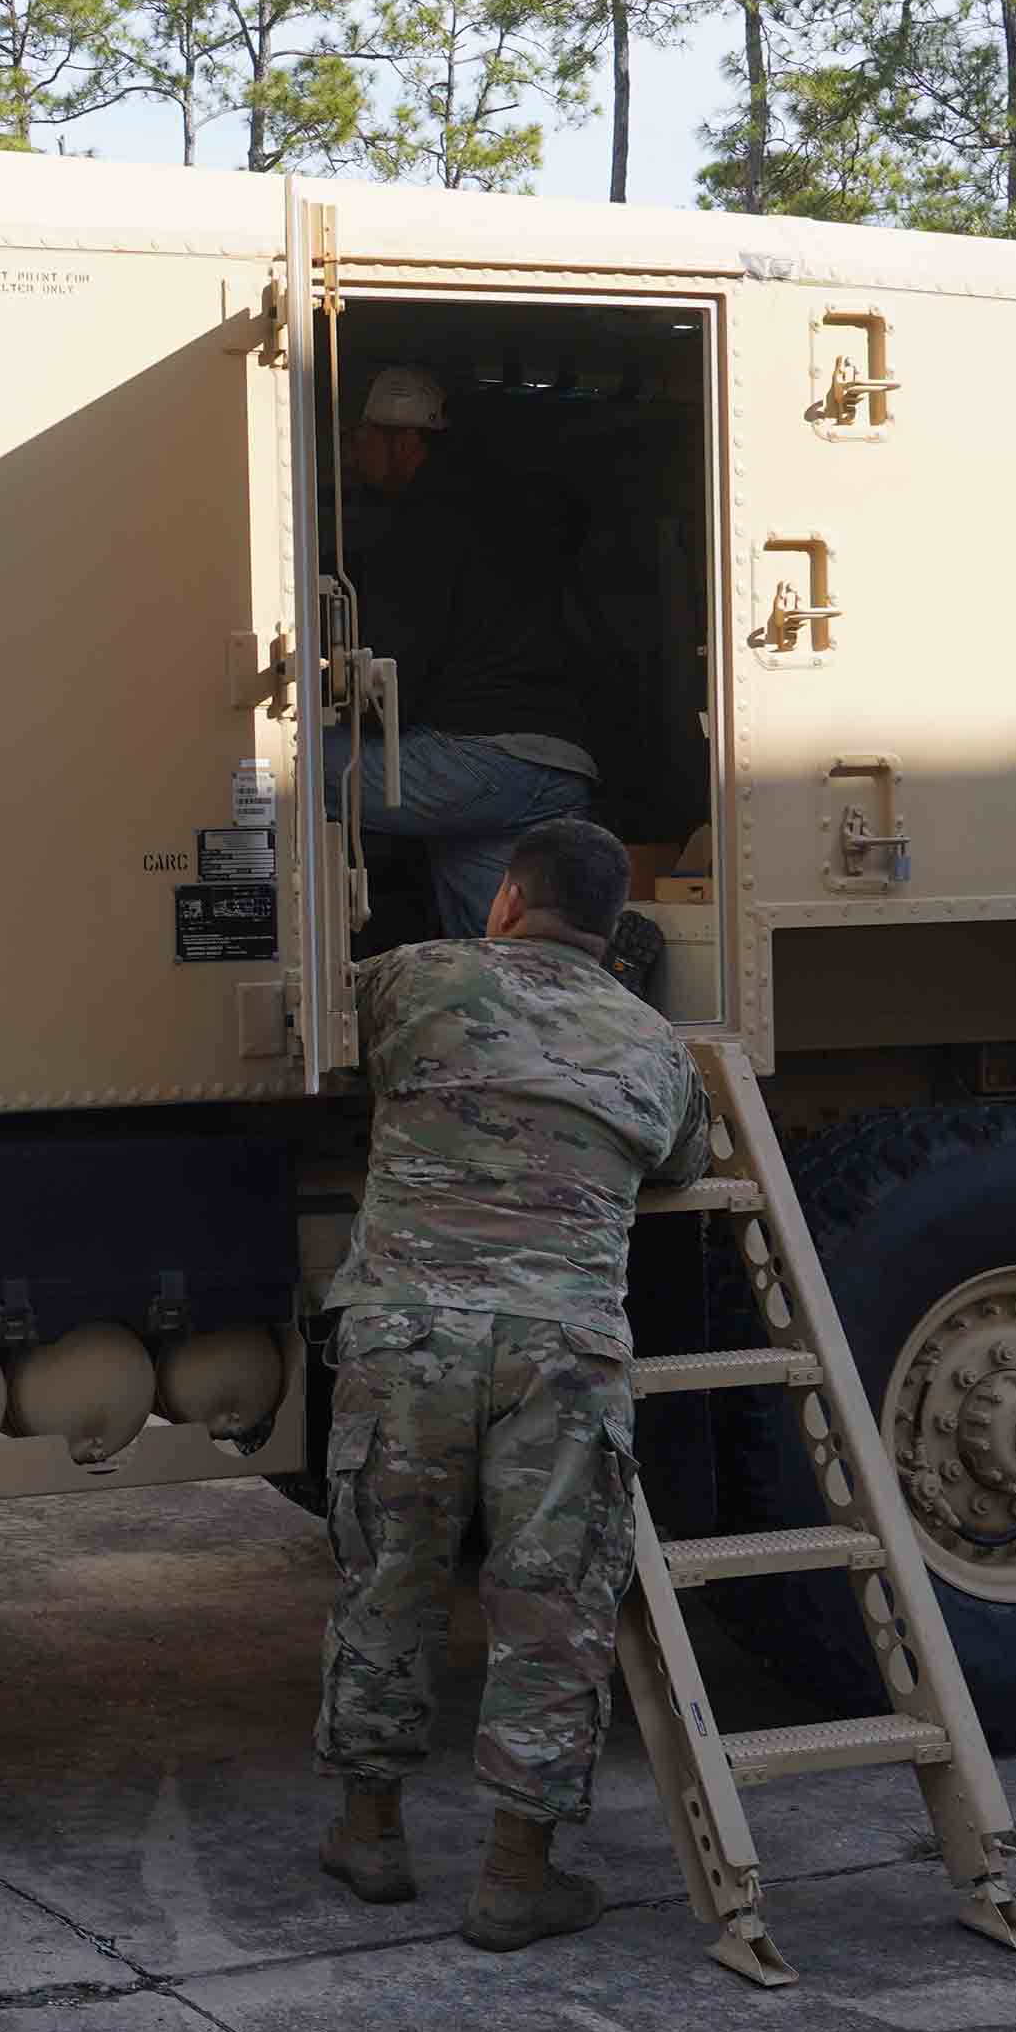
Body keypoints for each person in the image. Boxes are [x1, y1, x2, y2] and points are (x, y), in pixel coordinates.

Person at [310, 816, 709, 1952]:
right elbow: (687, 1161)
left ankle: (373, 1833)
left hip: (408, 1339)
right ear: (615, 925)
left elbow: (317, 1033)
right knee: (551, 1603)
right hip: (563, 1351)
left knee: (388, 1574)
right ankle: (514, 1875)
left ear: (503, 902)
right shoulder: (652, 1041)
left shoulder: (413, 981)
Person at [335, 364, 604, 937]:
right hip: (559, 766)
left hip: (484, 760)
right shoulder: (506, 512)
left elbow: (395, 677)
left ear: (404, 441)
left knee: (289, 769)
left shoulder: (419, 524)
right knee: (507, 948)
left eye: (361, 438)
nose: (353, 454)